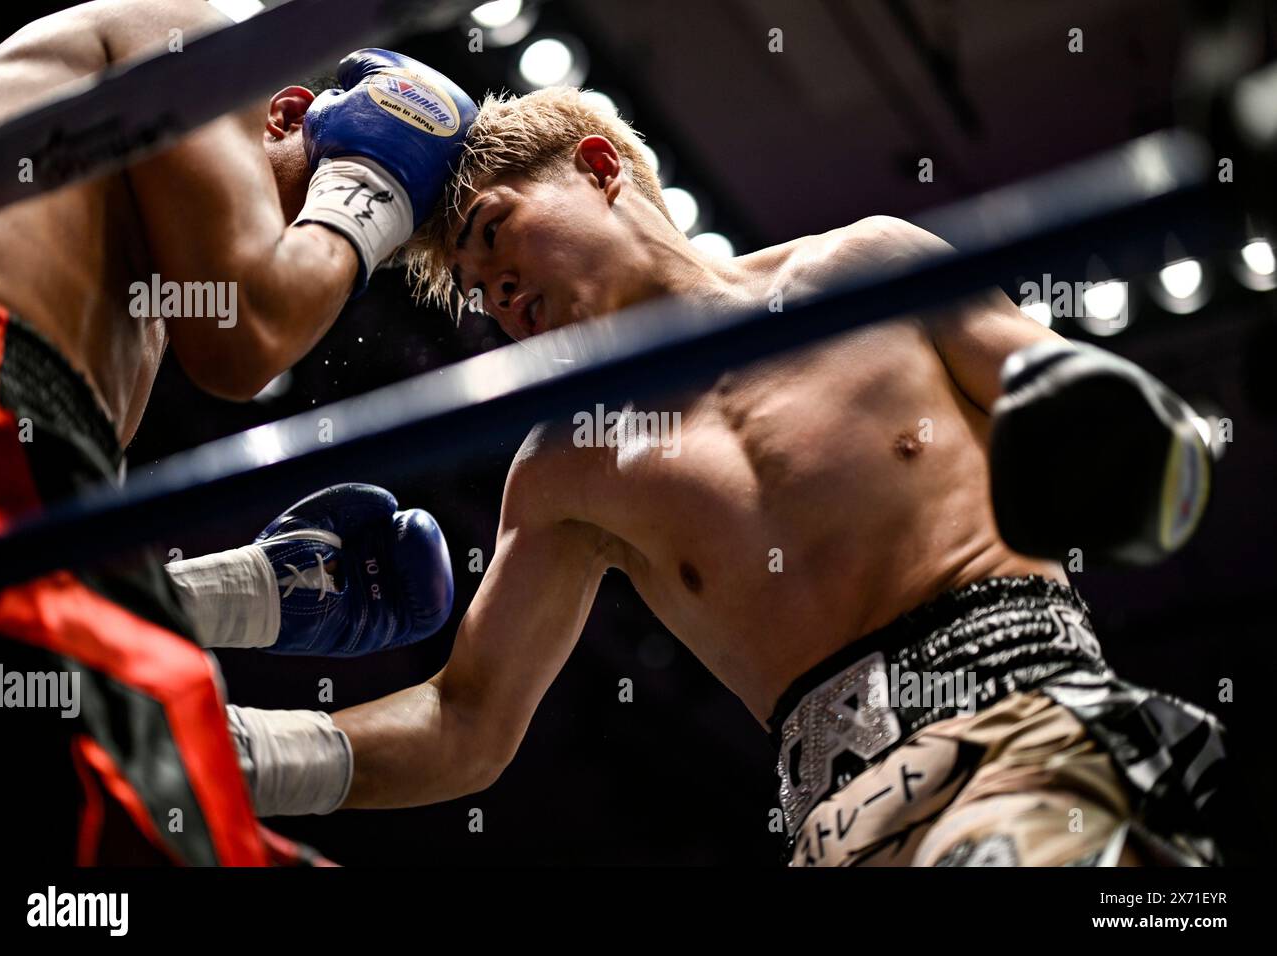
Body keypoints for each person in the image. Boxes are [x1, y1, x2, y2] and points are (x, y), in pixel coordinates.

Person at [321, 87, 1227, 866]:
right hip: (834, 827)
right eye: (479, 293)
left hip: (1020, 727)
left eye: (497, 232)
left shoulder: (862, 270)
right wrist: (240, 749)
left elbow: (1108, 414)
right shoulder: (569, 466)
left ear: (599, 168)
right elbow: (464, 720)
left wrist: (1126, 443)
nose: (500, 297)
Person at [0, 0, 472, 864]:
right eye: (317, 194)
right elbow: (249, 331)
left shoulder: (128, 321)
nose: (315, 258)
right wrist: (368, 192)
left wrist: (243, 593)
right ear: (283, 114)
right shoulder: (186, 31)